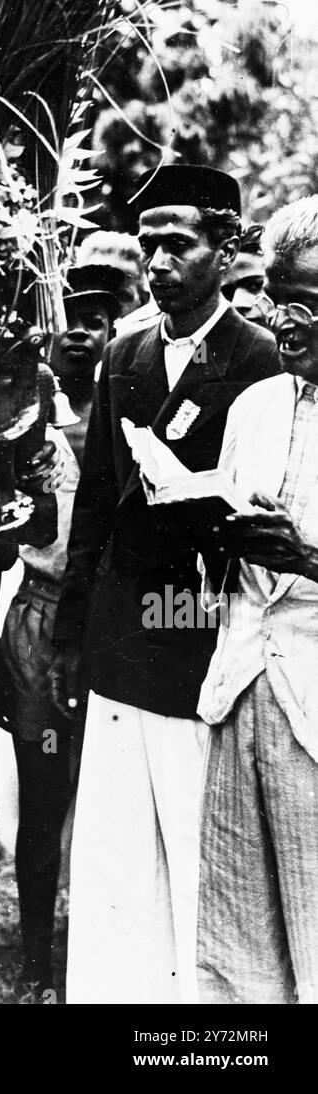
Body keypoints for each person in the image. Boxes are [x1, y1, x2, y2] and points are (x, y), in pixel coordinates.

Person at [49, 165, 280, 1005]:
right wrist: (71, 633)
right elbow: (95, 511)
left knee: (196, 842)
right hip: (120, 637)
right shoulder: (123, 356)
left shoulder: (258, 361)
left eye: (177, 243)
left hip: (203, 631)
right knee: (115, 849)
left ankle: (201, 1024)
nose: (157, 260)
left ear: (224, 251)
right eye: (148, 243)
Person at [197, 196, 318, 1003]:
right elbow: (226, 563)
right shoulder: (255, 405)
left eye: (306, 300)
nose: (283, 321)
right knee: (237, 946)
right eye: (276, 298)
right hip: (241, 687)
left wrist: (309, 559)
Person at [0, 265, 121, 995]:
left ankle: (97, 955)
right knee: (42, 793)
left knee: (108, 795)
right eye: (68, 311)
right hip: (39, 615)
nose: (80, 328)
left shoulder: (131, 404)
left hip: (110, 620)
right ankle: (35, 959)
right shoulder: (19, 409)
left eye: (98, 315)